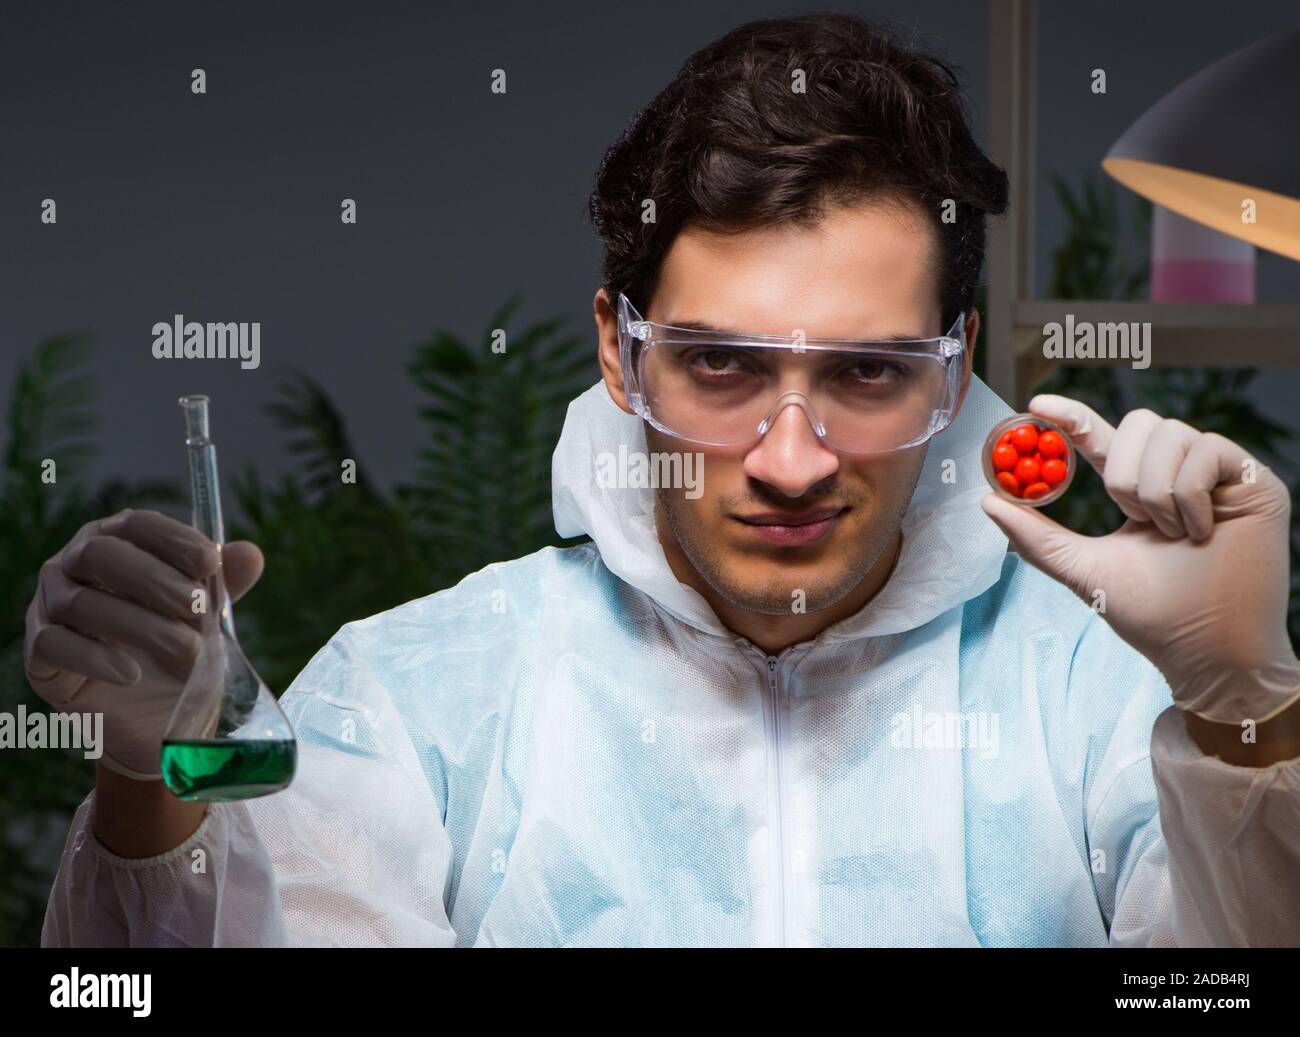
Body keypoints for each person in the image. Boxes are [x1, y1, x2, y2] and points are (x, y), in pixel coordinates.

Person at [30, 13, 1300, 947]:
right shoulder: (418, 696)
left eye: (866, 372)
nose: (791, 459)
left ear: (956, 368)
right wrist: (148, 782)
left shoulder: (1095, 700)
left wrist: (1248, 719)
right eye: (718, 365)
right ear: (617, 350)